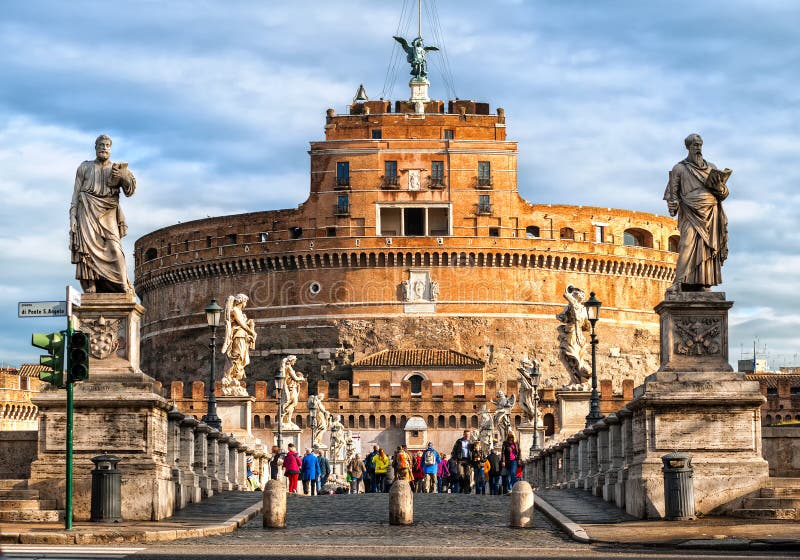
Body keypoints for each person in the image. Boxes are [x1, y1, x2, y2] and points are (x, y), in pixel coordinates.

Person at [70, 134, 136, 294]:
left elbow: (130, 191)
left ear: (110, 149)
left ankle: (123, 284)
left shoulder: (117, 169)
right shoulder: (84, 167)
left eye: (107, 145)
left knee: (114, 248)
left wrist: (124, 178)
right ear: (95, 147)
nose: (103, 148)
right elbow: (75, 194)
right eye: (101, 145)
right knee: (87, 248)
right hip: (86, 210)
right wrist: (72, 216)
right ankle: (91, 284)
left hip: (108, 212)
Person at [663, 133, 730, 292]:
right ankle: (679, 282)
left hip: (710, 212)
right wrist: (673, 204)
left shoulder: (712, 167)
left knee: (707, 248)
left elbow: (724, 193)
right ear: (688, 147)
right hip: (690, 211)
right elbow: (672, 193)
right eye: (694, 145)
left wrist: (720, 188)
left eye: (700, 144)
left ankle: (704, 282)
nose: (698, 147)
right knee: (687, 243)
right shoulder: (679, 168)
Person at [221, 294, 257, 396]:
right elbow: (241, 324)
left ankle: (234, 378)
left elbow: (244, 323)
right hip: (238, 336)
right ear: (242, 301)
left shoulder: (240, 312)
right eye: (245, 302)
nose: (246, 304)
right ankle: (229, 378)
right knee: (237, 357)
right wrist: (251, 332)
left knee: (243, 359)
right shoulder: (234, 310)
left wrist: (251, 324)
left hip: (243, 337)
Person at [279, 356, 305, 426]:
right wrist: (302, 379)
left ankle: (288, 420)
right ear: (291, 360)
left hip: (292, 387)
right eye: (294, 360)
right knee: (292, 402)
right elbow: (295, 378)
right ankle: (283, 415)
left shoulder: (288, 367)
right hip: (290, 388)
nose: (295, 362)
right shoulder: (288, 367)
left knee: (292, 404)